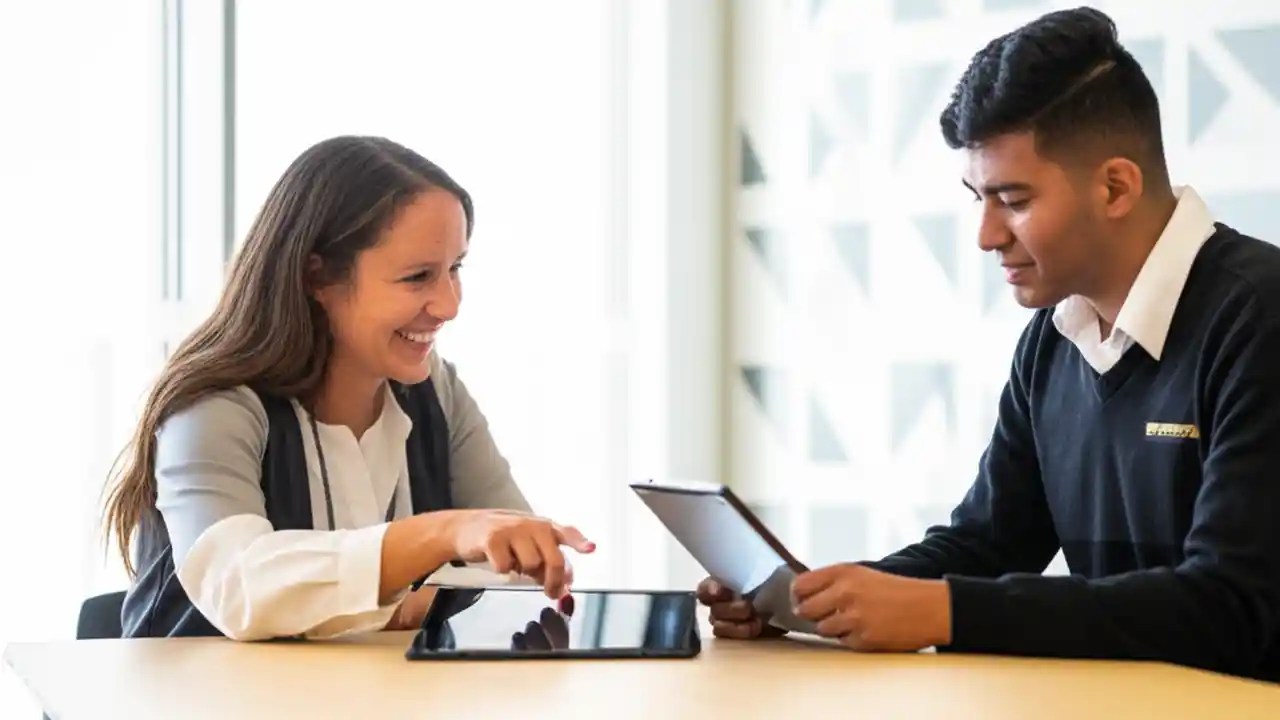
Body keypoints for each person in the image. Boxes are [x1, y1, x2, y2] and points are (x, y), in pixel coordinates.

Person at [698, 6, 1280, 680]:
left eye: (1014, 199)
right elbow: (987, 545)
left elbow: (1229, 607)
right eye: (978, 195)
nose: (987, 234)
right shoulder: (1054, 341)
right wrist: (813, 601)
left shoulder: (1259, 319)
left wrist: (945, 612)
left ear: (1116, 185)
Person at [102, 135, 594, 641]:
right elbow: (240, 587)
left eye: (455, 269)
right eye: (418, 277)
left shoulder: (437, 391)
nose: (449, 305)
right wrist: (443, 536)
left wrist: (451, 574)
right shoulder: (214, 406)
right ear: (317, 276)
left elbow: (520, 563)